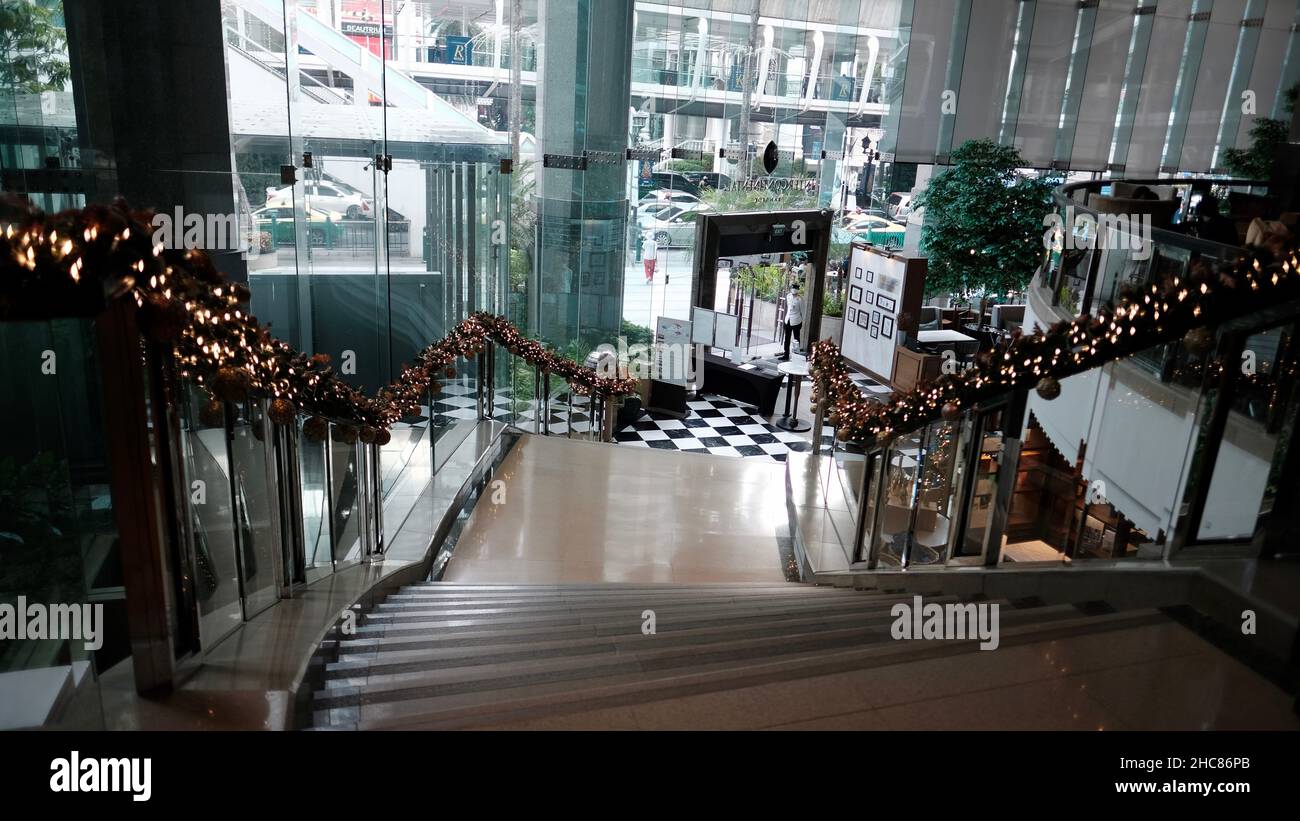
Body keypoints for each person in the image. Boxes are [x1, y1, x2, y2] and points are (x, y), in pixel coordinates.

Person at [781, 282, 805, 361]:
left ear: (798, 290)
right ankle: (786, 354)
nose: (793, 289)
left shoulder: (800, 299)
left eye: (795, 288)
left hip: (796, 321)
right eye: (793, 288)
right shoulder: (788, 296)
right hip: (788, 320)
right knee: (787, 339)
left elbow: (802, 311)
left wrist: (801, 322)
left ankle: (796, 357)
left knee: (796, 340)